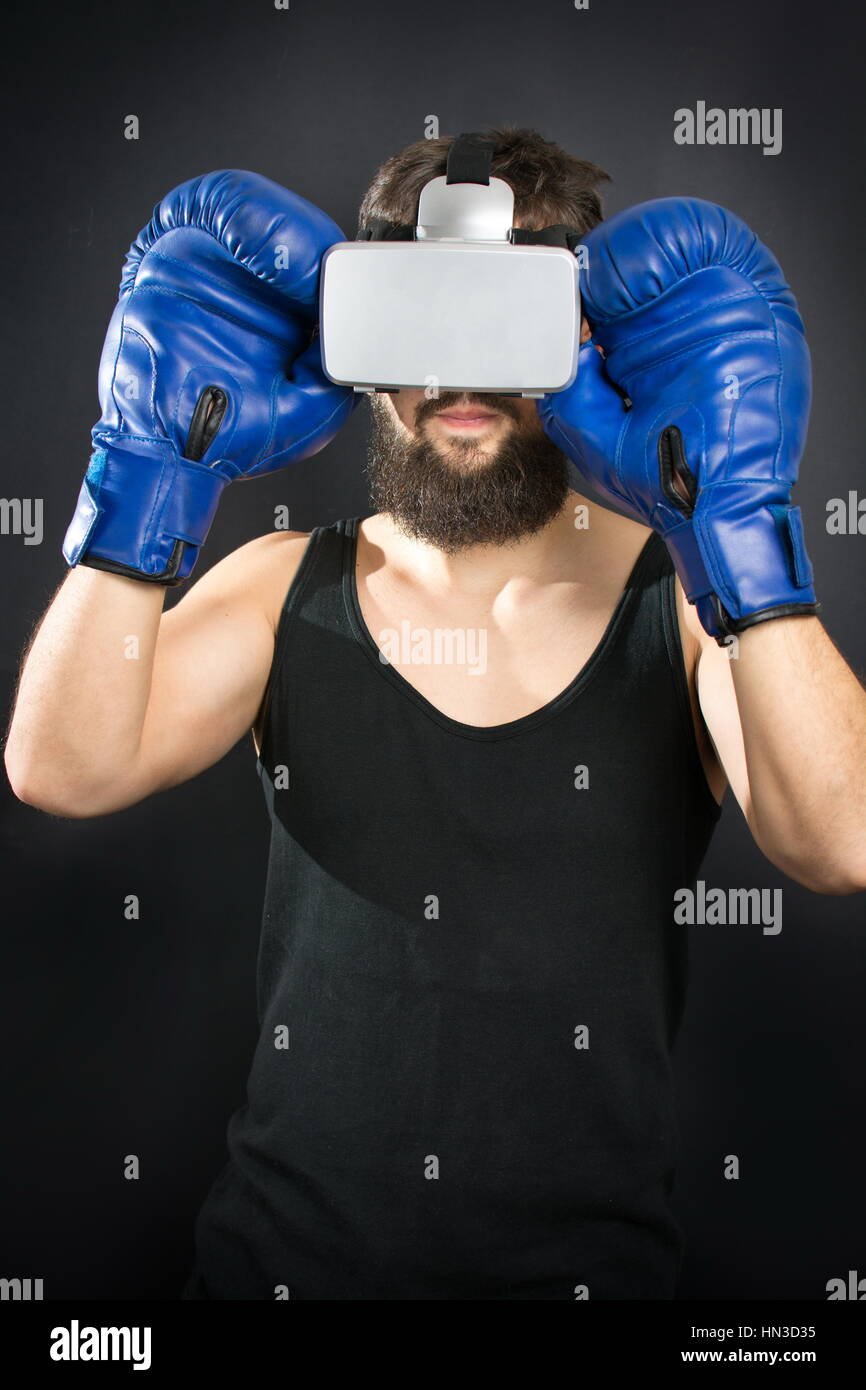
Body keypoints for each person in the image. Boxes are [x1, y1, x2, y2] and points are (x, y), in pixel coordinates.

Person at [5, 128, 866, 1300]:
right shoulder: (281, 585)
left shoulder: (681, 604)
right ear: (358, 328)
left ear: (584, 331)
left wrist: (733, 525)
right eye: (420, 313)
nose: (459, 379)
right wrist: (154, 467)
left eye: (502, 315)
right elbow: (61, 765)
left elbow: (841, 839)